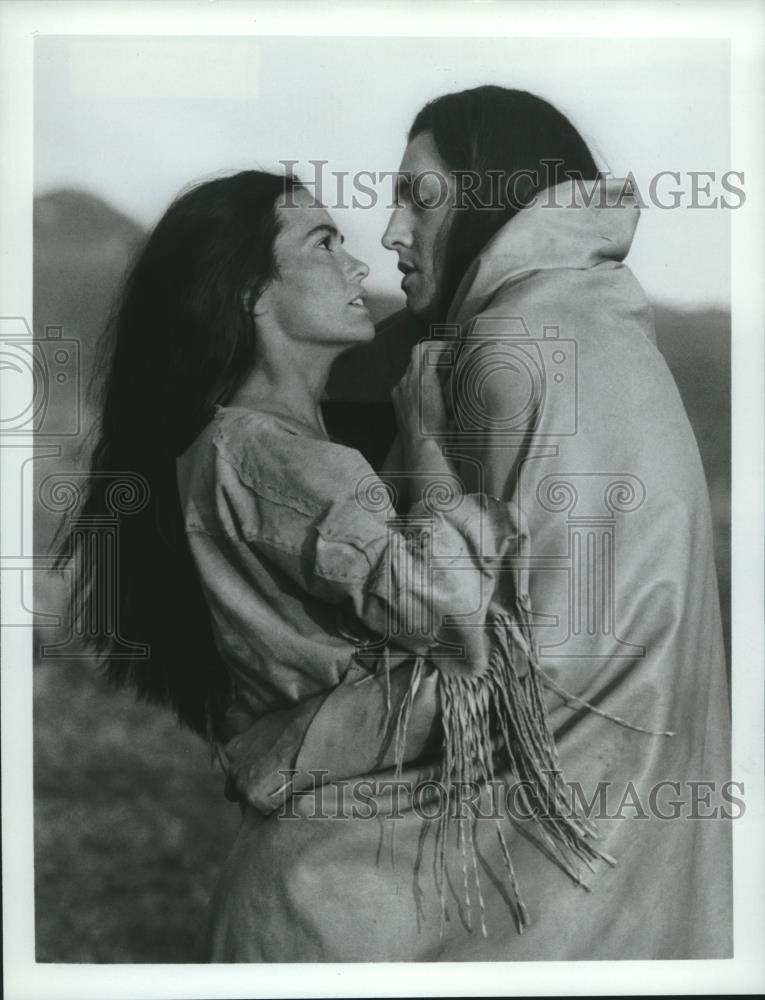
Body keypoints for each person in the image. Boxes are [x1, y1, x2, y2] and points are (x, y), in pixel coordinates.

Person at [227, 87, 733, 960]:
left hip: (564, 834)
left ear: (492, 194)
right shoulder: (592, 316)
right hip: (660, 827)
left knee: (285, 884)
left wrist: (290, 750)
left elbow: (496, 657)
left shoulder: (506, 346)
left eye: (419, 199)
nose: (389, 234)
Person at [57, 168, 609, 962]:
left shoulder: (244, 451)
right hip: (336, 901)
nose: (359, 267)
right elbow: (452, 620)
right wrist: (424, 435)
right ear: (248, 291)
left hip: (312, 881)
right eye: (324, 243)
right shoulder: (272, 459)